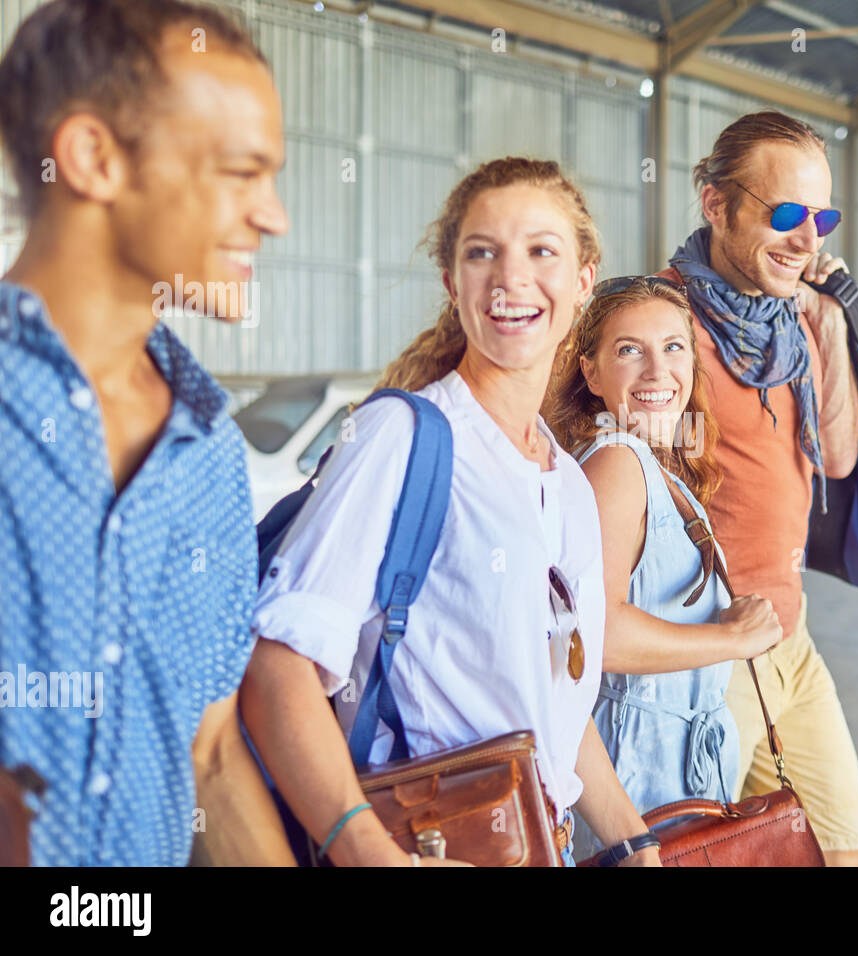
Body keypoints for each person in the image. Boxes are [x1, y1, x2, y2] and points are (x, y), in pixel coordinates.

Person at [239, 158, 661, 867]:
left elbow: (553, 703)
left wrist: (633, 842)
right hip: (435, 841)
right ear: (452, 283)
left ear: (584, 280)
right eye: (481, 253)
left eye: (541, 251)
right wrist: (369, 854)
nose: (510, 277)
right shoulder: (401, 438)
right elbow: (277, 671)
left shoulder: (568, 482)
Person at [0, 0, 294, 865]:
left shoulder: (209, 456)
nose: (273, 217)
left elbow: (206, 757)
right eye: (241, 173)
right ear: (93, 158)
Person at [659, 110, 858, 866]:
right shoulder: (659, 326)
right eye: (785, 214)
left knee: (846, 850)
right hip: (708, 655)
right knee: (701, 854)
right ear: (714, 202)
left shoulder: (790, 325)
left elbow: (840, 459)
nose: (808, 239)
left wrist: (832, 328)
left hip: (791, 638)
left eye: (823, 217)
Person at [545, 276, 782, 860]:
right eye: (630, 350)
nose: (657, 372)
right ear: (592, 374)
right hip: (634, 780)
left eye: (673, 348)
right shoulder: (617, 464)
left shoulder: (656, 468)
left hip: (678, 774)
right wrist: (729, 637)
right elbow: (591, 639)